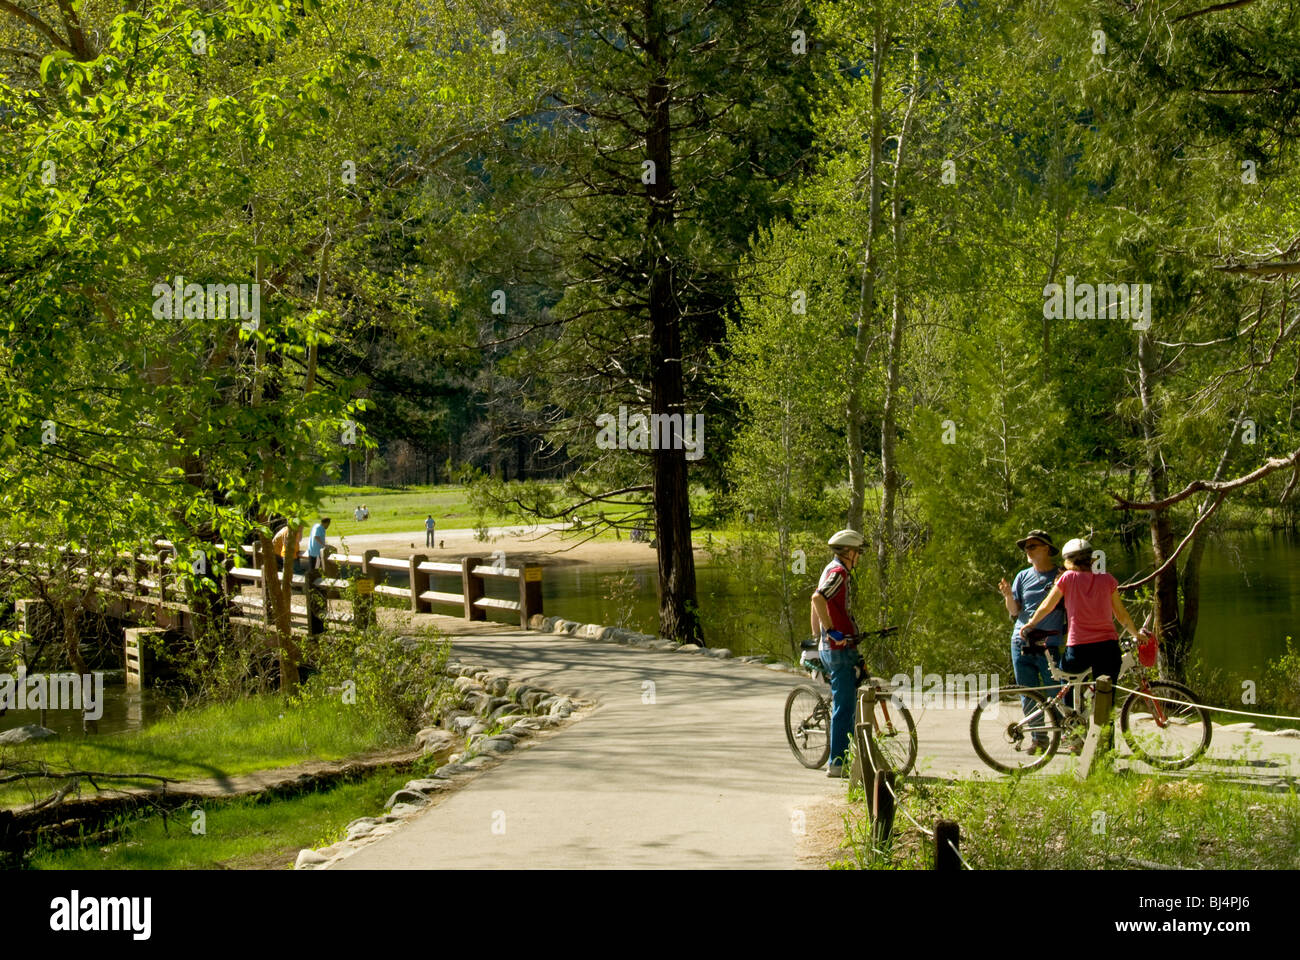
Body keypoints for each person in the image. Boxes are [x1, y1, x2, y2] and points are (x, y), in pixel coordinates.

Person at [1019, 537, 1143, 750]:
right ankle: (1106, 749)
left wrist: (1029, 624)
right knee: (1107, 698)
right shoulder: (1107, 580)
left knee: (1067, 684)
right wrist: (1136, 634)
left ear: (1068, 561)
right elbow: (1122, 616)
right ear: (1091, 559)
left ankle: (1073, 730)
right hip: (1107, 647)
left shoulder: (1067, 579)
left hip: (1079, 648)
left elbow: (1047, 606)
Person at [998, 529, 1066, 753]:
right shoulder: (1022, 576)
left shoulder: (1061, 575)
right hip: (1021, 641)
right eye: (1026, 547)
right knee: (1027, 692)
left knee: (1055, 691)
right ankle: (1039, 739)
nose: (1028, 550)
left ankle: (1065, 734)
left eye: (1032, 546)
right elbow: (1015, 611)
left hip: (1049, 643)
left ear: (1046, 548)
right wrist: (1008, 595)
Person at [810, 528, 866, 778]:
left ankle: (854, 756)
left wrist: (817, 636)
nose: (860, 558)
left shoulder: (829, 569)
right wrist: (830, 632)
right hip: (838, 650)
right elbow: (817, 599)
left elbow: (816, 603)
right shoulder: (839, 573)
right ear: (849, 552)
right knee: (845, 706)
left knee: (847, 700)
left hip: (835, 648)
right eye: (858, 553)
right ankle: (837, 764)